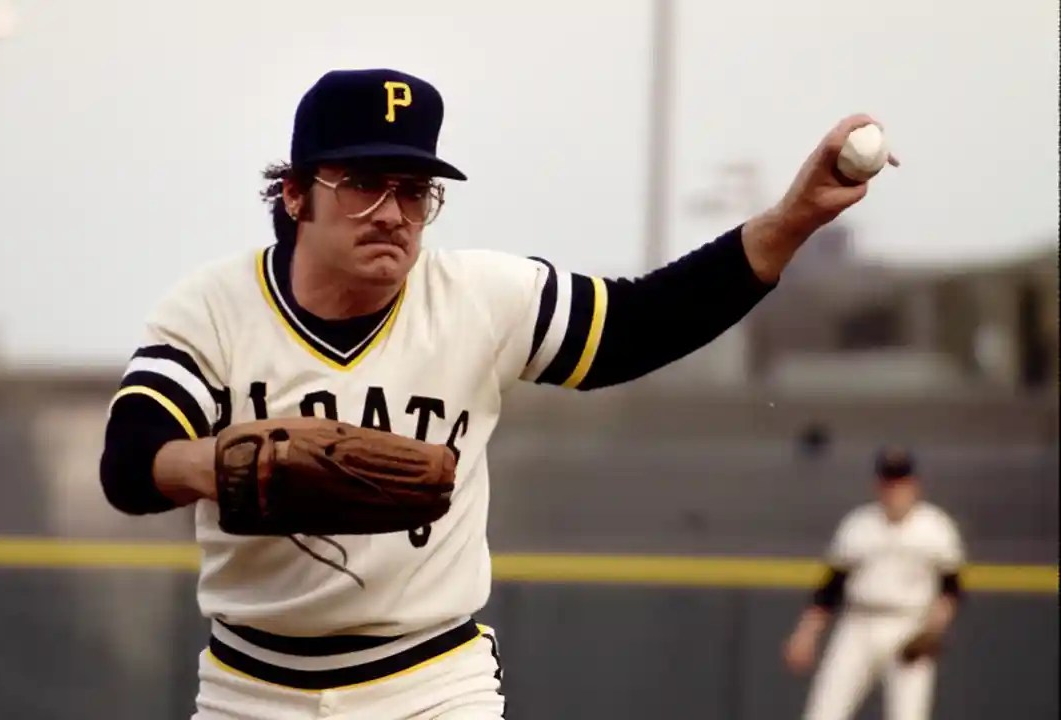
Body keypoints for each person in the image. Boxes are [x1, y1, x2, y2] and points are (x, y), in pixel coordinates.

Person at [100, 67, 896, 720]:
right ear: (296, 194)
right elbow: (128, 461)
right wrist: (226, 464)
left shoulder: (479, 296)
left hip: (431, 685)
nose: (394, 213)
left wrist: (795, 218)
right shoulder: (213, 307)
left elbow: (639, 326)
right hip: (250, 691)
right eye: (365, 183)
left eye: (415, 190)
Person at [783, 446, 966, 720]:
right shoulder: (858, 525)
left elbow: (951, 588)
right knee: (823, 713)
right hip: (858, 624)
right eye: (888, 481)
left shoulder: (936, 527)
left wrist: (933, 630)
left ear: (914, 485)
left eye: (900, 481)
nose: (894, 489)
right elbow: (830, 587)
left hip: (909, 625)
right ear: (877, 484)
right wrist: (806, 634)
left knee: (908, 715)